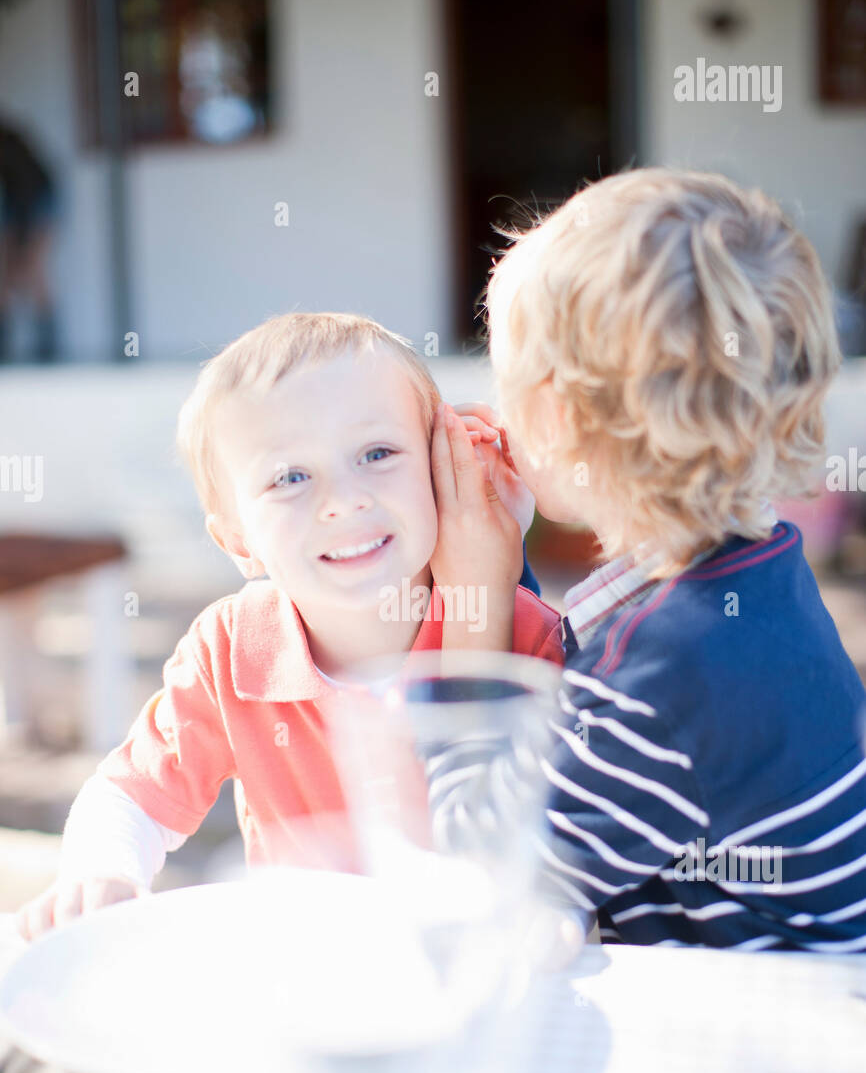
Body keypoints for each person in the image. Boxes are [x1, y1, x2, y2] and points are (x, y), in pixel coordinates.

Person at [17, 312, 562, 938]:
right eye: (291, 477)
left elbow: (573, 836)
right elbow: (128, 795)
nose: (343, 499)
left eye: (377, 453)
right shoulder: (229, 649)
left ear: (444, 464)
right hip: (306, 975)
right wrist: (100, 873)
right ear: (240, 543)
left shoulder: (519, 632)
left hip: (471, 977)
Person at [444, 167, 866, 953]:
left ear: (557, 417)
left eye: (506, 386)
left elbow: (480, 863)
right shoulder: (755, 575)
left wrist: (470, 598)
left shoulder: (666, 674)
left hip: (775, 1031)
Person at [0, 121, 58, 363]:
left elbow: (27, 191)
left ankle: (48, 346)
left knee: (33, 268)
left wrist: (22, 245)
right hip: (15, 204)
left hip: (38, 200)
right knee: (4, 271)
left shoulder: (9, 146)